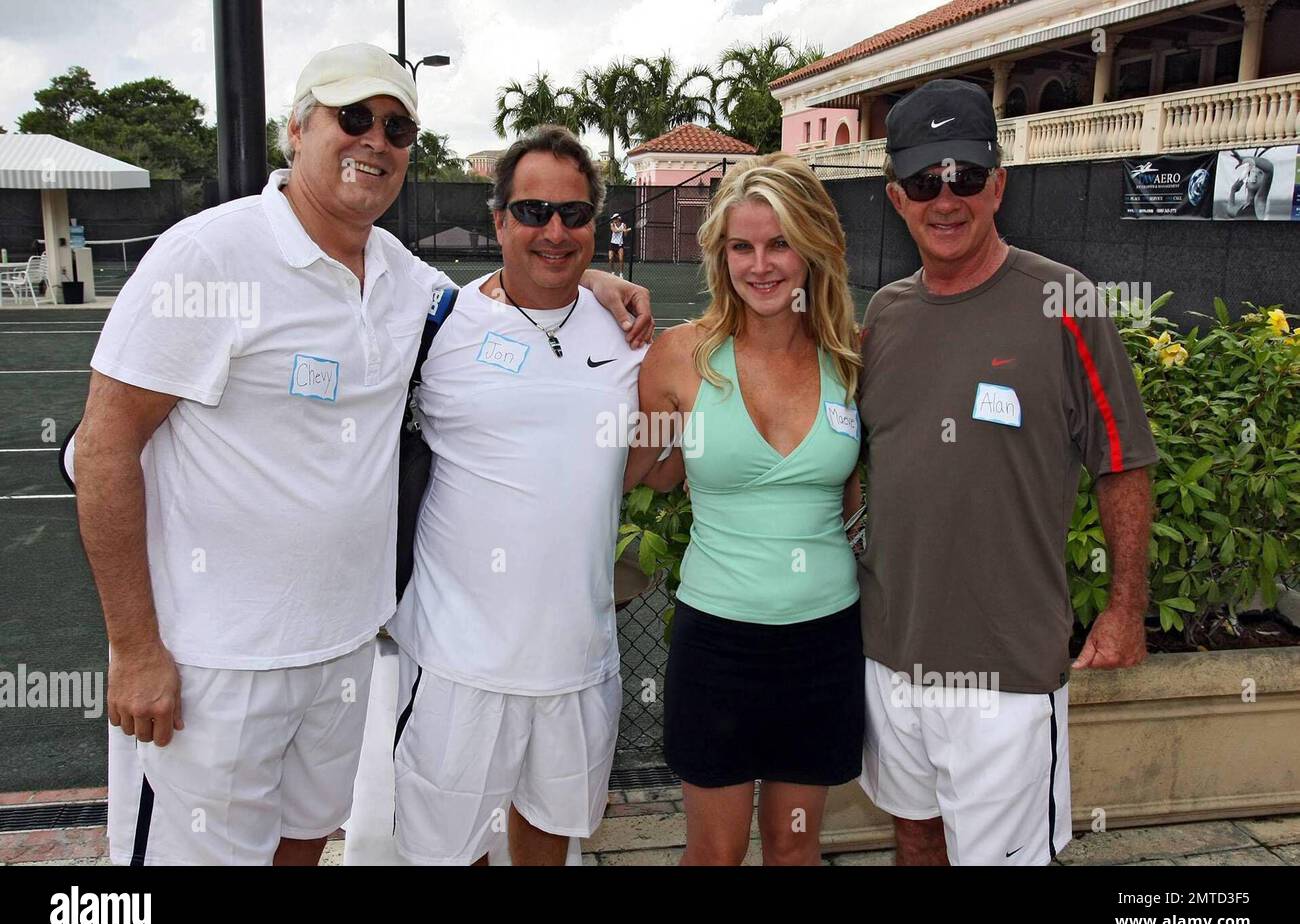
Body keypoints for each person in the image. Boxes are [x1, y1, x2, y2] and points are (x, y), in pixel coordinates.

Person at [78, 43, 651, 866]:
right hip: (214, 663)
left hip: (342, 649)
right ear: (298, 128)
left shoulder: (403, 281)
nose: (374, 140)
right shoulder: (209, 256)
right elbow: (104, 447)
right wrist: (135, 650)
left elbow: (515, 299)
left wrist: (591, 281)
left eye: (396, 126)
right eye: (351, 118)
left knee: (304, 847)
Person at [856, 78, 1157, 866]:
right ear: (897, 198)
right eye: (926, 182)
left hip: (1008, 669)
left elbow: (1122, 461)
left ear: (999, 185)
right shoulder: (883, 314)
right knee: (915, 836)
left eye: (964, 176)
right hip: (892, 652)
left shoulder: (1066, 299)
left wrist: (1126, 609)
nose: (945, 198)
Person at [388, 126, 667, 866]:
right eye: (533, 210)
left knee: (549, 836)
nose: (553, 230)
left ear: (596, 226)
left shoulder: (628, 335)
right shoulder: (438, 320)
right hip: (457, 662)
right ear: (498, 219)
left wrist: (603, 285)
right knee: (448, 854)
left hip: (579, 658)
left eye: (573, 215)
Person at [628, 153, 865, 865]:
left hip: (825, 642)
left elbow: (852, 494)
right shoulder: (680, 356)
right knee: (715, 853)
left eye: (780, 243)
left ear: (814, 248)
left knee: (795, 852)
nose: (761, 265)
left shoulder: (851, 356)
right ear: (721, 254)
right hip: (719, 644)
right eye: (742, 246)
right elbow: (648, 479)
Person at [607, 212, 630, 277]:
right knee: (611, 258)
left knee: (621, 259)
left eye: (614, 218)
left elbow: (625, 236)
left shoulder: (623, 225)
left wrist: (625, 232)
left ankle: (621, 274)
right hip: (612, 244)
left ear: (618, 219)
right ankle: (612, 272)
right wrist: (622, 229)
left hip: (620, 245)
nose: (613, 220)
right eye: (613, 219)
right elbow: (614, 231)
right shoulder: (612, 224)